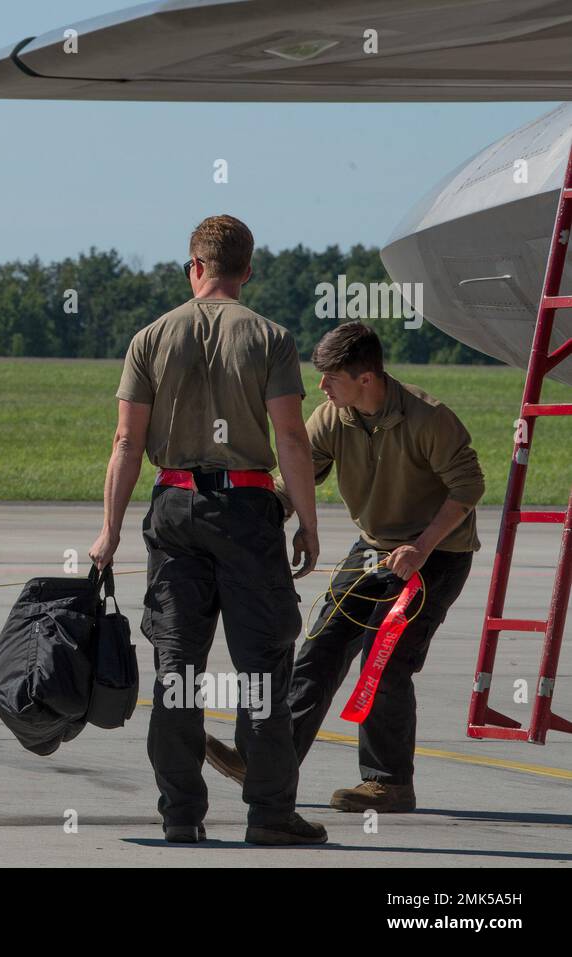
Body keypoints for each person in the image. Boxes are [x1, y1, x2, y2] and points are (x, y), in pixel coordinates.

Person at [89, 214, 326, 845]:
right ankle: (270, 815)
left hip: (173, 507)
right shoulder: (270, 338)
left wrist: (109, 529)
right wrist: (306, 520)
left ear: (194, 267)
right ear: (247, 270)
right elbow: (293, 439)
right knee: (263, 667)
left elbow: (125, 441)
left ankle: (180, 814)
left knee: (177, 668)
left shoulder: (150, 337)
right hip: (247, 510)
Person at [205, 323, 483, 812]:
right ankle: (268, 765)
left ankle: (389, 782)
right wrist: (253, 520)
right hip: (374, 548)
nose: (322, 387)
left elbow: (468, 487)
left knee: (386, 659)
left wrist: (420, 547)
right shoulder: (334, 415)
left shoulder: (429, 418)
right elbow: (294, 475)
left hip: (437, 554)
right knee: (319, 649)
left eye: (331, 377)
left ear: (367, 378)